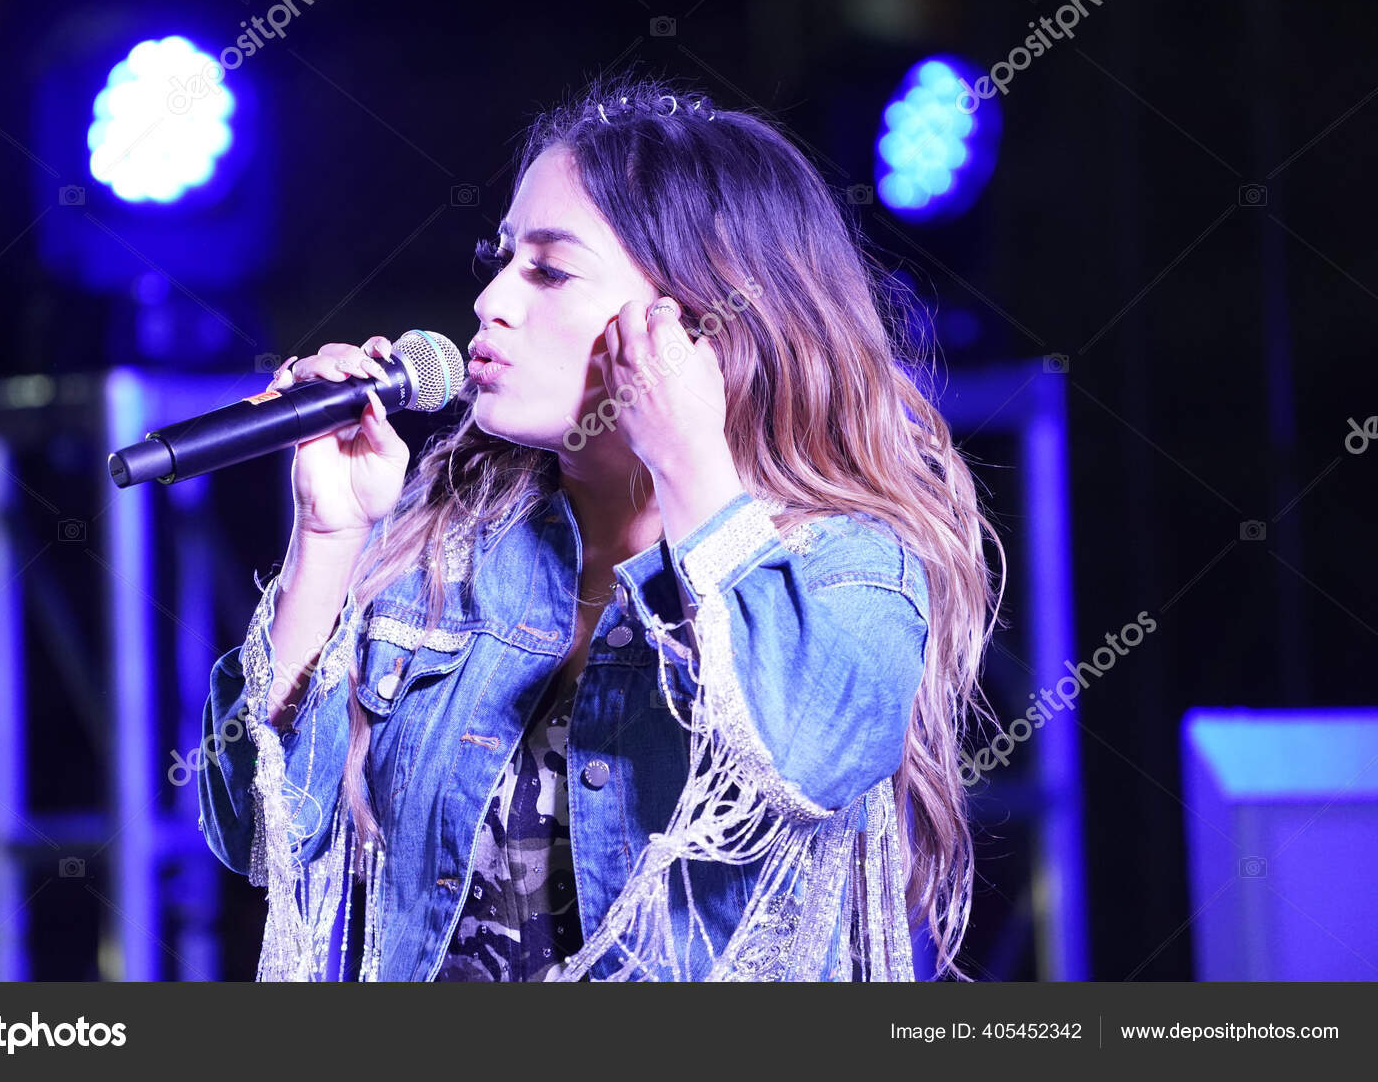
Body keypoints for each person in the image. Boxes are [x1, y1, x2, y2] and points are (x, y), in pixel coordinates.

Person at [198, 76, 1002, 982]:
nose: (490, 303)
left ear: (700, 317)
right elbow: (254, 838)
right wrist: (328, 534)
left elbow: (803, 761)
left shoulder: (847, 564)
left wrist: (691, 459)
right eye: (500, 259)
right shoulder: (449, 555)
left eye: (547, 269)